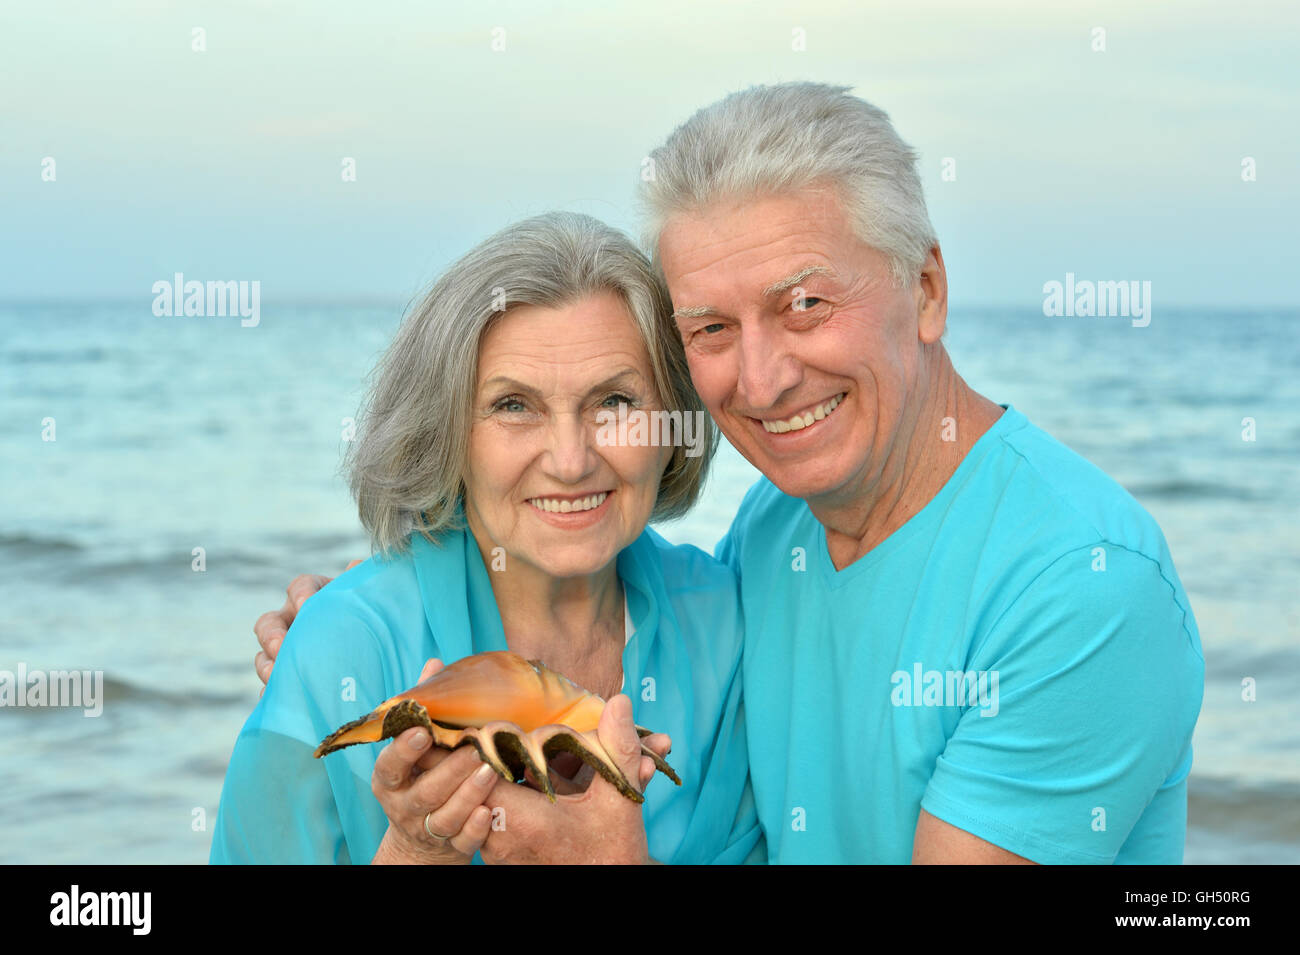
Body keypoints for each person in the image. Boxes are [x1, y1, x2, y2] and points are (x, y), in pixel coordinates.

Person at [256, 83, 1205, 864]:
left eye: (804, 304)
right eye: (711, 328)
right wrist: (368, 629)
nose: (761, 378)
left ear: (926, 290)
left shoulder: (1084, 585)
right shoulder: (773, 532)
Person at [213, 212, 762, 865]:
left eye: (614, 401)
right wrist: (415, 854)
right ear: (448, 435)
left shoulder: (726, 623)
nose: (570, 459)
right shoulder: (341, 646)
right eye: (514, 405)